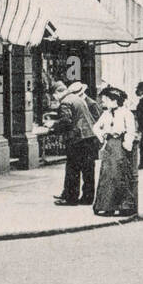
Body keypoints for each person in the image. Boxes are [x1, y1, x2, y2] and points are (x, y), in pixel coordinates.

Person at [51, 77, 100, 206]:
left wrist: (52, 125)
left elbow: (66, 121)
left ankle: (71, 198)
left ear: (58, 92)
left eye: (54, 95)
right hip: (89, 138)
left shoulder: (65, 102)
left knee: (73, 169)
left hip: (77, 140)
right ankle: (87, 198)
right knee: (88, 169)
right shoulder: (77, 99)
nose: (55, 98)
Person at [92, 86, 137, 217]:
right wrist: (103, 135)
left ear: (115, 100)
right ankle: (106, 206)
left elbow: (131, 131)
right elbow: (96, 127)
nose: (103, 102)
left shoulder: (126, 113)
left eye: (106, 100)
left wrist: (126, 144)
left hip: (120, 146)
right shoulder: (106, 114)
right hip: (109, 146)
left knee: (120, 175)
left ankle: (124, 206)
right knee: (107, 175)